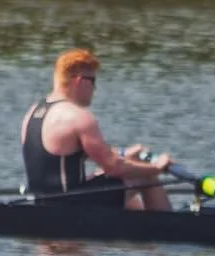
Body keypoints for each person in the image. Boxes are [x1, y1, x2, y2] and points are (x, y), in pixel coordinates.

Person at [20, 49, 173, 209]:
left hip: (42, 204)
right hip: (69, 208)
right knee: (146, 177)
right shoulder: (78, 117)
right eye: (93, 81)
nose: (95, 89)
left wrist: (127, 154)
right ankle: (168, 229)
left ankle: (132, 226)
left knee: (117, 172)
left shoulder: (33, 112)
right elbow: (114, 167)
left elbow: (66, 155)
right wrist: (157, 167)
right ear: (79, 81)